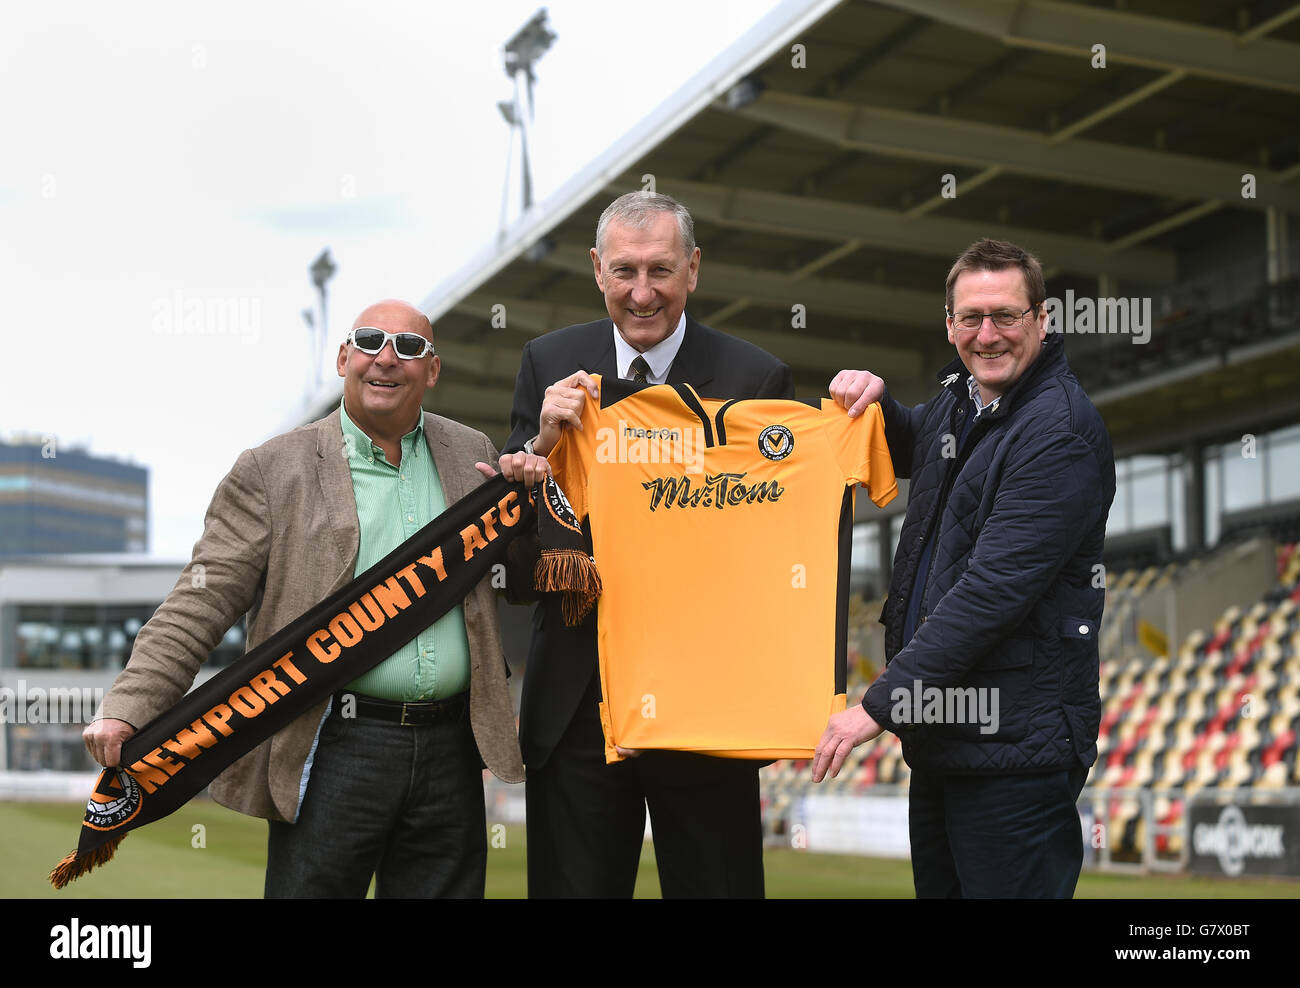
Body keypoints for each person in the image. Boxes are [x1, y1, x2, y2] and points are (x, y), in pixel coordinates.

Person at [83, 299, 544, 898]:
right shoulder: (272, 469)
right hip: (330, 743)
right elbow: (201, 599)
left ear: (432, 371)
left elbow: (526, 578)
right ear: (343, 358)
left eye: (408, 348)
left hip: (452, 750)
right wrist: (131, 702)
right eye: (371, 341)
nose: (386, 359)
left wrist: (539, 499)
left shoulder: (470, 450)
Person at [499, 191, 794, 897]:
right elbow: (513, 562)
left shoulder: (758, 380)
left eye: (660, 270)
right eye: (624, 270)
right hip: (576, 704)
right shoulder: (547, 362)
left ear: (693, 269)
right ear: (597, 269)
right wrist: (539, 444)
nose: (641, 292)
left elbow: (775, 551)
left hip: (705, 708)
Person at [813, 238, 1116, 898]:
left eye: (1006, 315)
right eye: (971, 317)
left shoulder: (1057, 429)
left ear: (1042, 319)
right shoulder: (963, 399)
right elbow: (915, 443)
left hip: (1015, 749)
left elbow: (993, 592)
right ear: (948, 324)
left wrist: (880, 704)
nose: (988, 334)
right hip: (951, 739)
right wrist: (874, 402)